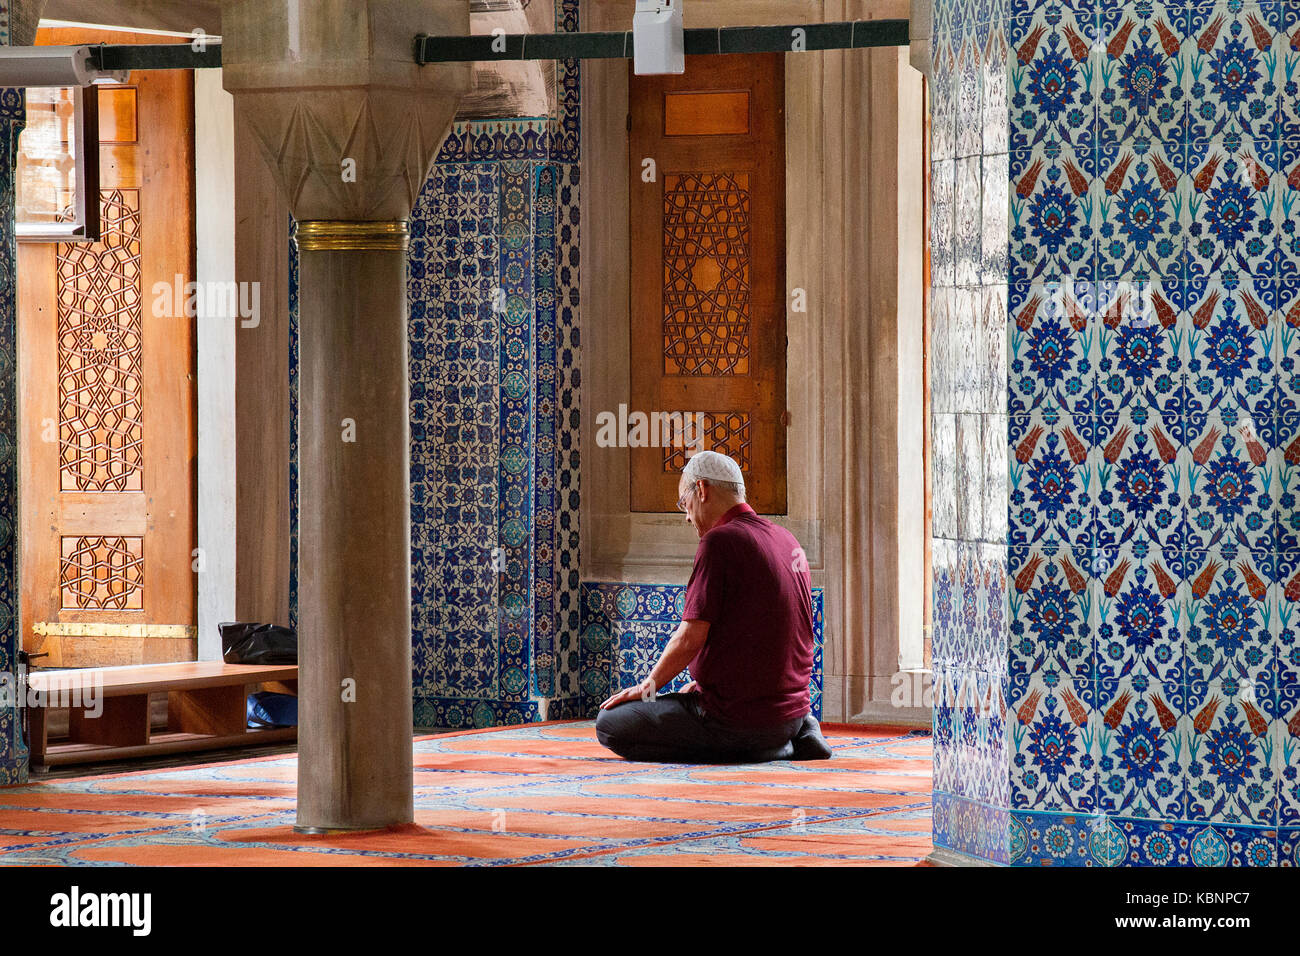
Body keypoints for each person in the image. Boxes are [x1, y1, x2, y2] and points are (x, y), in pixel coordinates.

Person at [594, 450, 833, 763]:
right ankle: (800, 732)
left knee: (610, 724)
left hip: (733, 720)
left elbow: (689, 637)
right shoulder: (786, 539)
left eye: (684, 503)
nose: (687, 516)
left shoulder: (719, 542)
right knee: (681, 704)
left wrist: (648, 685)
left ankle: (767, 749)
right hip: (791, 713)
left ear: (702, 490)